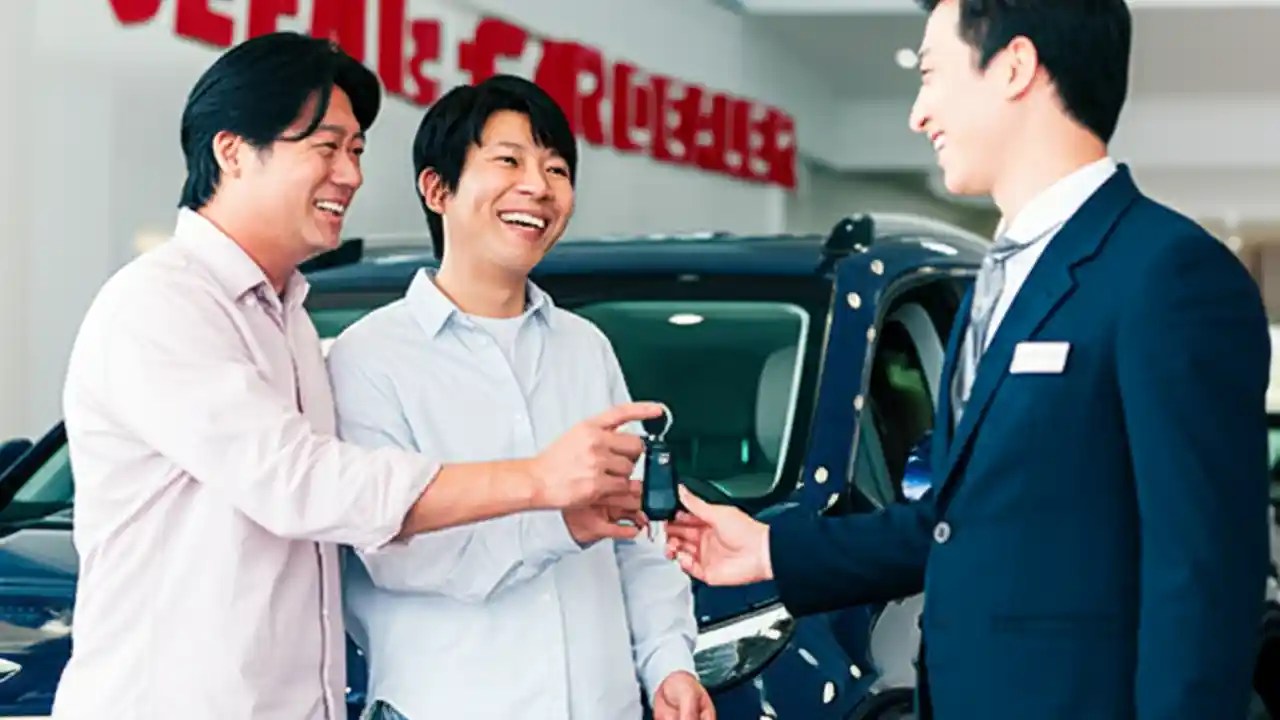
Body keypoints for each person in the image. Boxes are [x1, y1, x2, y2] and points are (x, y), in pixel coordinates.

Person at [665, 1, 1272, 718]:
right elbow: (953, 524)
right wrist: (770, 550)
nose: (919, 114)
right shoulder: (1000, 278)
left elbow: (1204, 578)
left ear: (1014, 67)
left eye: (931, 75)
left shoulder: (1169, 274)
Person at [53, 34, 660, 720]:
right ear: (232, 152)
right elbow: (303, 483)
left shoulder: (292, 325)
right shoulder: (162, 304)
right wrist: (537, 481)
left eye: (358, 151)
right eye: (326, 147)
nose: (351, 174)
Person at [324, 74, 713, 720]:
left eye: (556, 168)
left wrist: (668, 662)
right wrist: (555, 523)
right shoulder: (369, 359)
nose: (539, 186)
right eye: (508, 160)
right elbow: (400, 552)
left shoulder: (585, 349)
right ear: (436, 188)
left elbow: (638, 532)